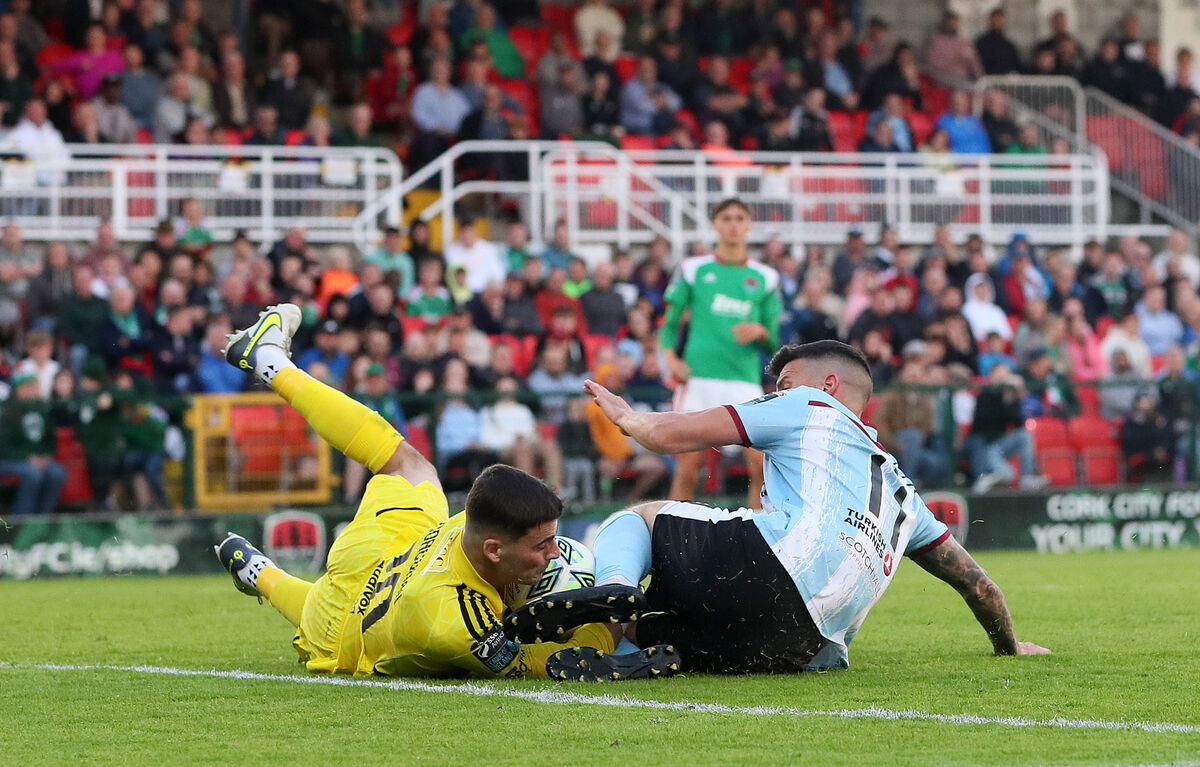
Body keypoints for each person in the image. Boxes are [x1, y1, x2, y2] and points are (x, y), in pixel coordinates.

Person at [505, 340, 1049, 679]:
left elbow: (672, 436)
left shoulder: (808, 406)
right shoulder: (908, 496)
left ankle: (615, 588)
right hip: (804, 649)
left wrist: (631, 421)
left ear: (828, 385)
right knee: (663, 631)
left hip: (771, 565)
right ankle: (640, 647)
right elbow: (979, 586)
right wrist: (1010, 648)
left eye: (784, 382)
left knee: (636, 518)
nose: (777, 391)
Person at [213, 304, 677, 680]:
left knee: (411, 465)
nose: (556, 554)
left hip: (396, 546)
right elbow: (540, 665)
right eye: (541, 545)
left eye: (552, 539)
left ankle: (270, 363)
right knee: (312, 606)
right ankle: (261, 574)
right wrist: (608, 634)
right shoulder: (455, 622)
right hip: (351, 624)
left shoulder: (475, 526)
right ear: (494, 549)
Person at [659, 198, 780, 509]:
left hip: (744, 382)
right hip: (698, 379)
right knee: (688, 468)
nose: (733, 224)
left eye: (740, 218)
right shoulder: (693, 269)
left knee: (760, 468)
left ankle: (757, 541)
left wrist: (761, 332)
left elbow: (774, 341)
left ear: (749, 225)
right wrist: (671, 359)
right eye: (726, 218)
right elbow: (669, 324)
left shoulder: (765, 277)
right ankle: (670, 541)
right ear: (715, 224)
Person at [0, 373, 66, 515]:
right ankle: (22, 520)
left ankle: (43, 519)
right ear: (17, 390)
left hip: (39, 459)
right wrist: (27, 458)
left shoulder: (42, 408)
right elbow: (4, 446)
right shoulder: (8, 410)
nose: (30, 391)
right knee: (33, 474)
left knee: (57, 472)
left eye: (33, 387)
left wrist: (46, 457)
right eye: (26, 388)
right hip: (11, 460)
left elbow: (50, 439)